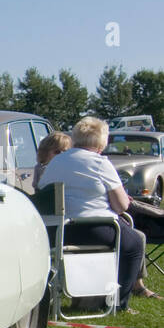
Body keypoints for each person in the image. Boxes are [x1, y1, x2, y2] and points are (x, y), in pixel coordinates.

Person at [36, 116, 146, 313]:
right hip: (95, 228)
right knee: (135, 244)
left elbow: (43, 191)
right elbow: (121, 206)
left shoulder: (56, 162)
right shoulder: (100, 163)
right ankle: (119, 303)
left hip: (58, 231)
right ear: (102, 142)